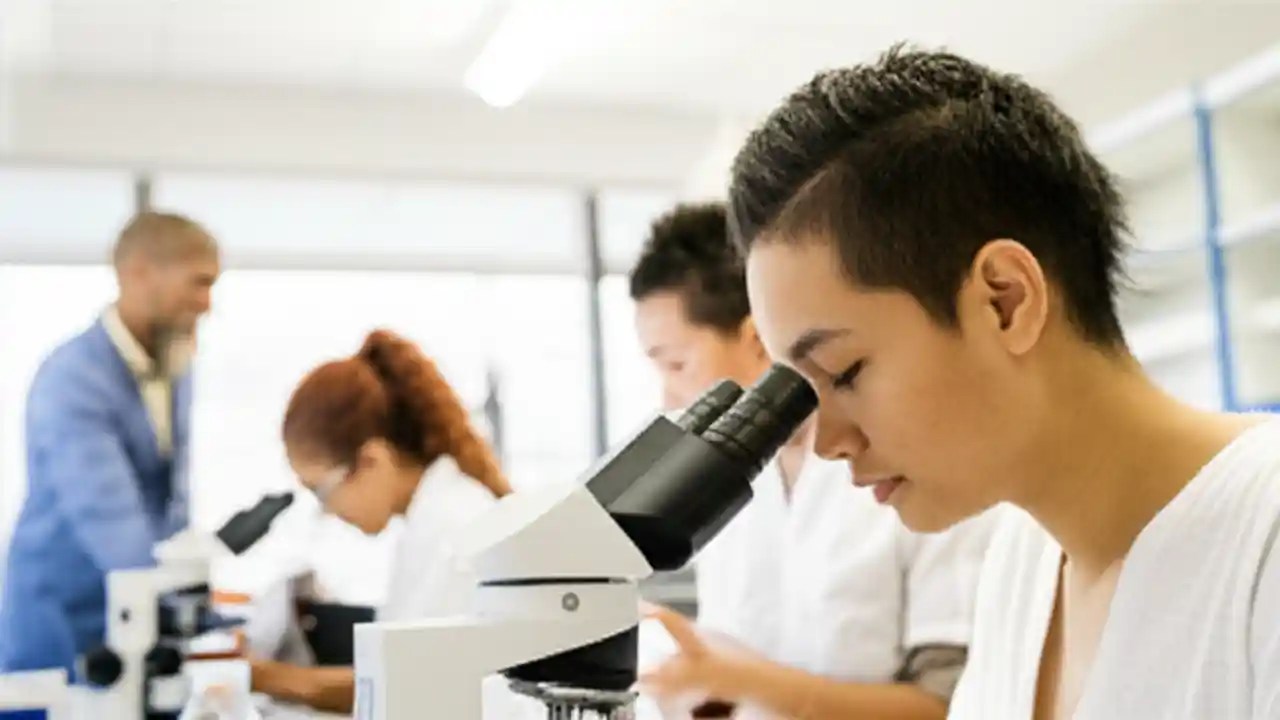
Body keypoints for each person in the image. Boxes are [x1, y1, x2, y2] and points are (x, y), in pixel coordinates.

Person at [709, 44, 1280, 720]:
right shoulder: (1024, 560)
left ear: (1004, 301)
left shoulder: (1262, 541)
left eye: (844, 373)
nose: (827, 442)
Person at [632, 203, 993, 719]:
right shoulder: (725, 487)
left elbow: (944, 705)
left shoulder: (909, 465)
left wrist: (741, 679)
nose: (669, 398)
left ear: (757, 338)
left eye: (677, 364)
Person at [0, 212, 219, 675]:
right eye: (197, 283)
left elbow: (172, 500)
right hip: (61, 623)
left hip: (132, 618)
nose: (206, 303)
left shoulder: (175, 365)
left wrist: (198, 593)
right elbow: (109, 517)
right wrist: (179, 605)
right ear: (138, 273)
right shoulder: (72, 378)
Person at [249, 329, 512, 713]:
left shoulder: (452, 529)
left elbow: (409, 691)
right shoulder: (433, 517)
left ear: (371, 460)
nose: (328, 511)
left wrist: (260, 676)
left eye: (321, 491)